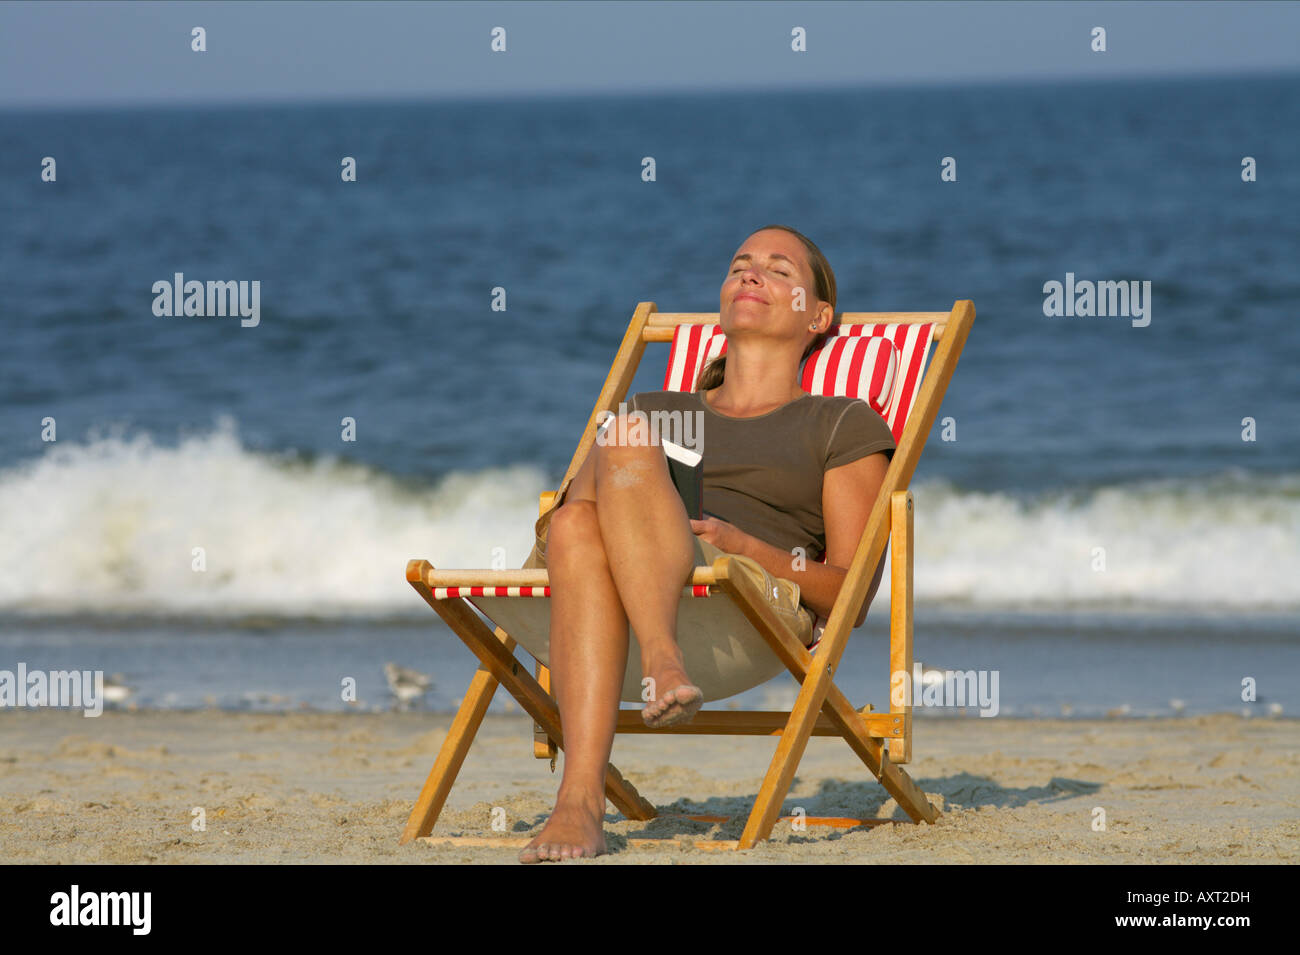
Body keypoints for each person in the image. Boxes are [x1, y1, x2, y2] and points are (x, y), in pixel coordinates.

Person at [519, 225, 894, 863]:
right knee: (586, 507)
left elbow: (851, 595)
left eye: (779, 270)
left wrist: (742, 543)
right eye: (740, 265)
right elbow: (568, 525)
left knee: (624, 445)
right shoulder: (656, 407)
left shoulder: (839, 422)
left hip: (741, 610)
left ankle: (655, 674)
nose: (751, 274)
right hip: (608, 593)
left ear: (819, 317)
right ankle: (580, 802)